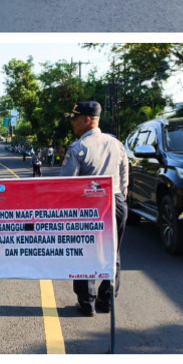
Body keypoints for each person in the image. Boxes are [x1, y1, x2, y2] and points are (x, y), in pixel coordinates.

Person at [61, 101, 129, 316]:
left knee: (85, 252)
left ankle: (87, 302)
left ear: (87, 120)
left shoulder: (78, 148)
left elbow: (67, 185)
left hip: (88, 205)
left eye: (75, 119)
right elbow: (125, 180)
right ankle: (107, 300)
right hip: (116, 202)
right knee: (113, 252)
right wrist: (119, 201)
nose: (73, 123)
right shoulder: (117, 144)